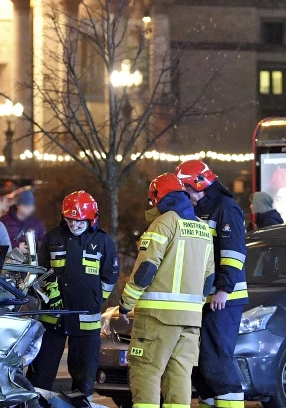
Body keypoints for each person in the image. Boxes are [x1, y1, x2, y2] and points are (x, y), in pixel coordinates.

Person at [120, 174, 215, 408]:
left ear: (158, 197)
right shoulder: (203, 228)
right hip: (191, 319)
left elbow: (146, 268)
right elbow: (209, 277)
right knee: (179, 375)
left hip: (158, 317)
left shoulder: (164, 222)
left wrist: (126, 302)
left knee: (146, 370)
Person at [28, 191, 118, 398]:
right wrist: (50, 293)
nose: (74, 225)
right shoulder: (53, 237)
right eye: (70, 220)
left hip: (86, 320)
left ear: (91, 219)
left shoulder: (103, 241)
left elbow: (109, 277)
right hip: (53, 316)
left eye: (79, 222)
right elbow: (41, 271)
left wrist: (95, 299)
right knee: (41, 374)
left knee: (84, 376)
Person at [176, 159, 248, 408]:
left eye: (185, 188)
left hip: (223, 299)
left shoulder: (226, 208)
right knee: (200, 365)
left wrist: (224, 289)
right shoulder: (199, 210)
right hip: (203, 298)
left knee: (216, 360)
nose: (183, 194)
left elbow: (233, 253)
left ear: (198, 184)